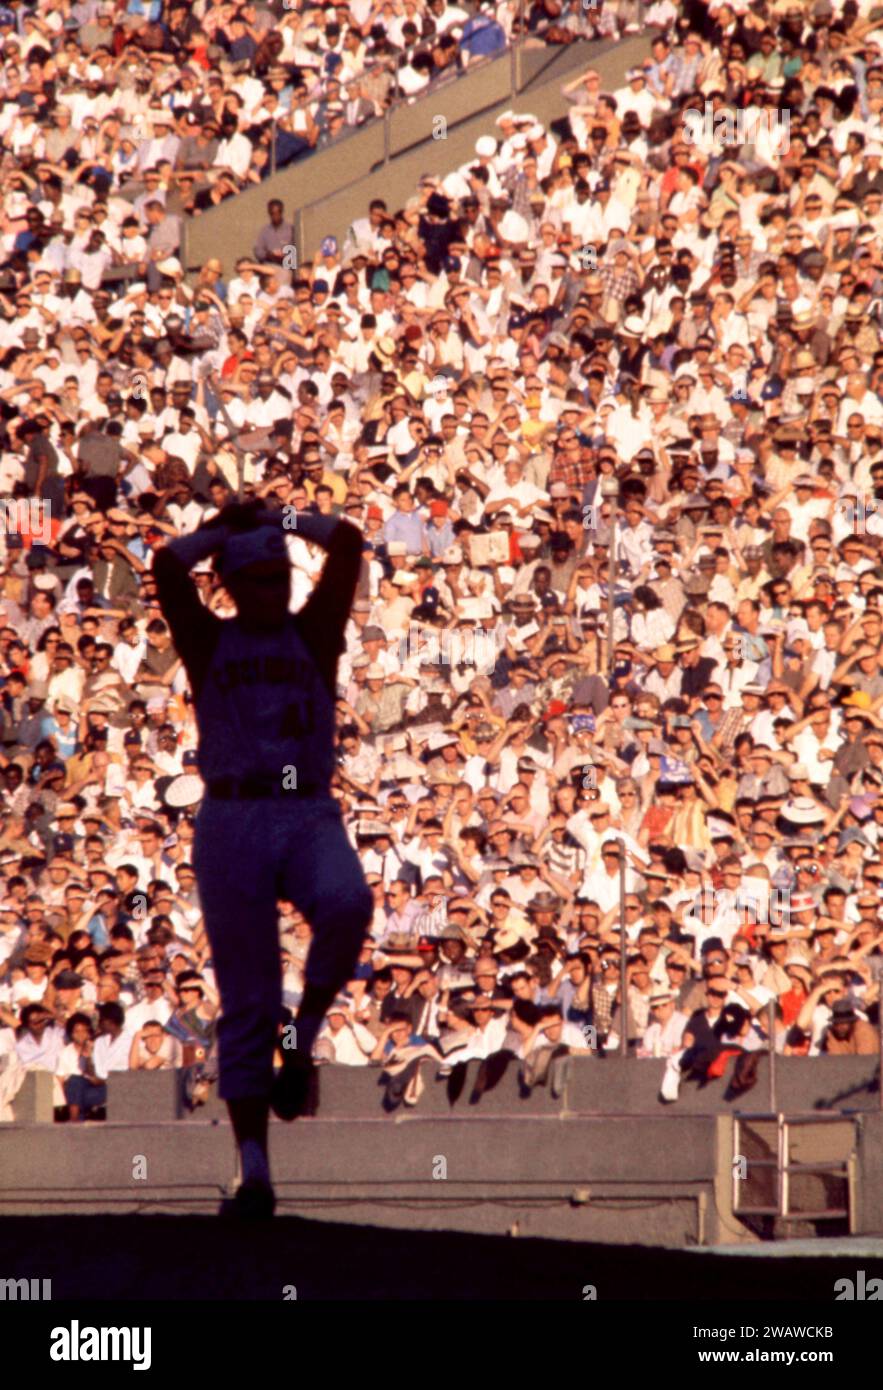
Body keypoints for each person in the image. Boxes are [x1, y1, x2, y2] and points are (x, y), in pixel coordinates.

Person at [153, 500, 373, 1218]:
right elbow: (164, 563)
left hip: (304, 805)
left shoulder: (315, 629)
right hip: (231, 813)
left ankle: (301, 1033)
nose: (275, 590)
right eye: (258, 580)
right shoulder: (206, 639)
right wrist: (222, 527)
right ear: (232, 585)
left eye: (281, 577)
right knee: (246, 998)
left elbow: (347, 542)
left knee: (346, 902)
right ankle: (254, 1172)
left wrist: (279, 516)